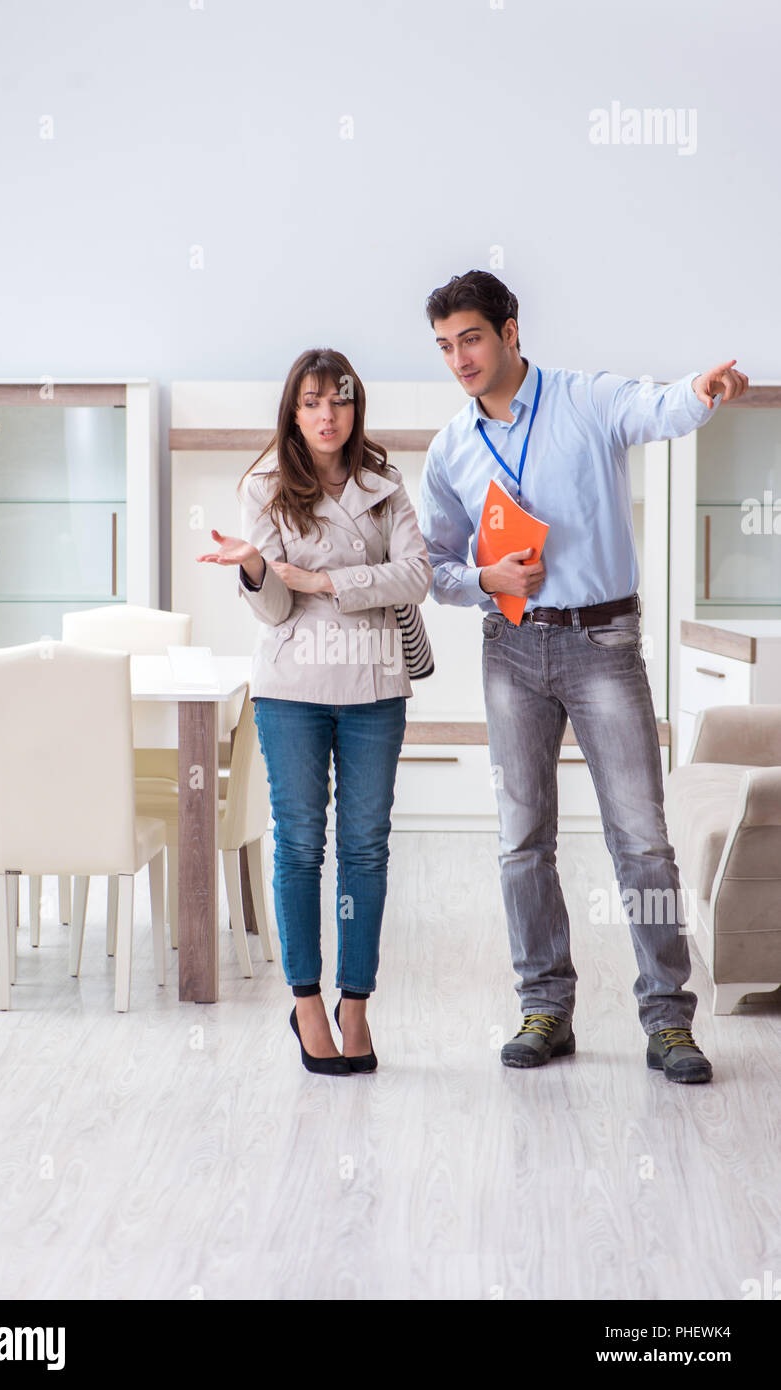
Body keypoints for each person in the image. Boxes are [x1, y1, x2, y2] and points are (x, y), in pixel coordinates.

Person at [417, 269, 748, 1084]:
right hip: (510, 651)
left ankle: (668, 1020)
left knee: (640, 841)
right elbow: (432, 562)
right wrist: (486, 581)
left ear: (510, 331)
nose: (459, 357)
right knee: (520, 842)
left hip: (602, 642)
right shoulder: (451, 446)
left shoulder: (584, 399)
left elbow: (655, 407)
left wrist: (699, 394)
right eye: (444, 345)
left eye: (470, 338)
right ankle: (544, 1007)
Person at [198, 348, 432, 1075]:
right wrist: (257, 571)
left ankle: (353, 1004)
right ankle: (305, 1005)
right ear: (292, 412)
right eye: (310, 402)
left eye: (339, 400)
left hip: (374, 687)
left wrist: (319, 579)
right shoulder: (263, 488)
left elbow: (417, 576)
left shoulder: (385, 485)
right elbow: (273, 613)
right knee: (300, 847)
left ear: (356, 408)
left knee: (365, 848)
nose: (325, 414)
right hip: (291, 688)